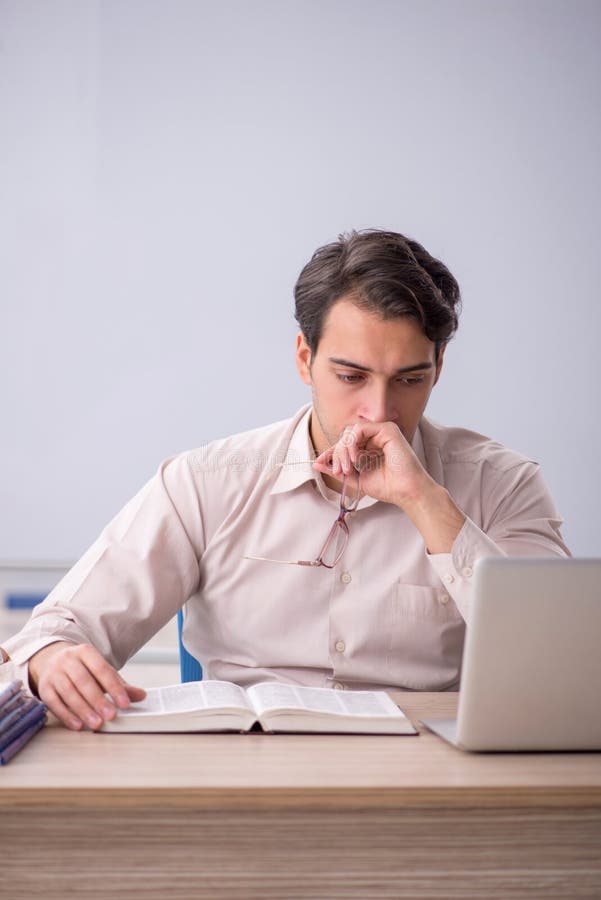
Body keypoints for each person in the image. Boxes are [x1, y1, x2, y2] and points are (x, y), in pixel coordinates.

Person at [0, 229, 569, 730]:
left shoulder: (502, 484)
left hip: (429, 786)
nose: (378, 410)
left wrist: (425, 502)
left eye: (410, 379)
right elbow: (52, 631)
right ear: (305, 359)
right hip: (246, 779)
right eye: (351, 376)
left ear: (438, 368)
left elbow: (559, 665)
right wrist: (50, 657)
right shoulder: (206, 484)